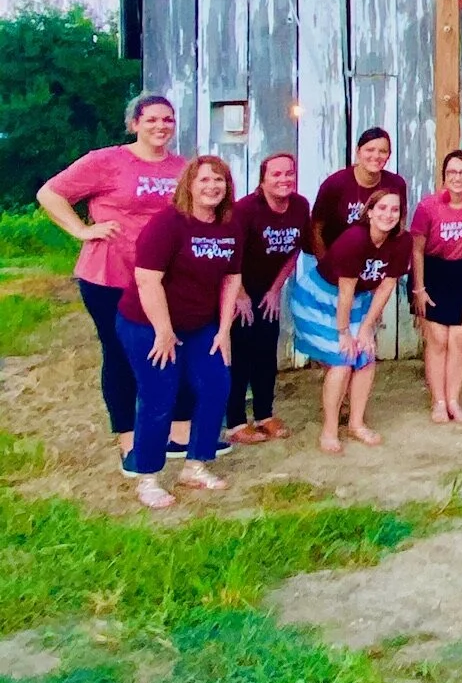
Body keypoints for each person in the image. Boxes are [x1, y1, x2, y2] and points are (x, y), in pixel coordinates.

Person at [35, 94, 190, 470]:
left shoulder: (183, 167)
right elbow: (50, 193)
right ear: (134, 123)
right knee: (121, 353)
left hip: (164, 278)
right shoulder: (106, 161)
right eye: (151, 119)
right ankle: (129, 443)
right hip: (110, 275)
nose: (160, 127)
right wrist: (82, 230)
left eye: (167, 120)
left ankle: (178, 434)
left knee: (173, 348)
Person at [115, 155, 242, 509]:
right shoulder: (168, 224)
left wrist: (224, 329)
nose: (212, 187)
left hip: (200, 325)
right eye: (204, 180)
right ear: (189, 184)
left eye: (219, 180)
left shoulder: (230, 225)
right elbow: (147, 278)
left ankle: (195, 467)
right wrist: (164, 331)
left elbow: (233, 278)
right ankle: (148, 478)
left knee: (217, 385)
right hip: (146, 323)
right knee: (159, 396)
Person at [291, 188, 411, 452]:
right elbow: (344, 292)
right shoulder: (354, 239)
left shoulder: (402, 242)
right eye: (381, 208)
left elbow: (386, 287)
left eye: (394, 210)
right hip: (319, 297)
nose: (388, 215)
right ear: (369, 212)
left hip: (358, 299)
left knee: (366, 356)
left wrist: (367, 329)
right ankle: (329, 430)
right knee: (342, 360)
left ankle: (356, 424)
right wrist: (344, 332)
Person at [227, 152, 310, 444]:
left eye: (289, 173)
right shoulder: (245, 211)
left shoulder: (300, 206)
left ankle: (264, 415)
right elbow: (229, 254)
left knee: (265, 353)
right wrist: (240, 294)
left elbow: (295, 249)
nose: (284, 179)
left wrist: (276, 289)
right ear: (262, 180)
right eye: (276, 174)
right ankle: (235, 423)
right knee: (240, 355)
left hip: (268, 290)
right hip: (236, 287)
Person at [411, 149, 462, 425]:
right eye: (452, 172)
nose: (457, 177)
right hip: (434, 271)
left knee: (460, 339)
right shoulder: (428, 206)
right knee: (438, 341)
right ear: (444, 176)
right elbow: (417, 250)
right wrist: (419, 288)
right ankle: (439, 402)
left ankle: (454, 401)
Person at [308, 128, 409, 257]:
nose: (376, 156)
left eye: (383, 151)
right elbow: (316, 228)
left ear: (389, 155)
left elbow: (399, 225)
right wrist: (325, 266)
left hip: (375, 263)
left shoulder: (396, 184)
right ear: (358, 151)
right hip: (336, 260)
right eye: (370, 150)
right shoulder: (335, 184)